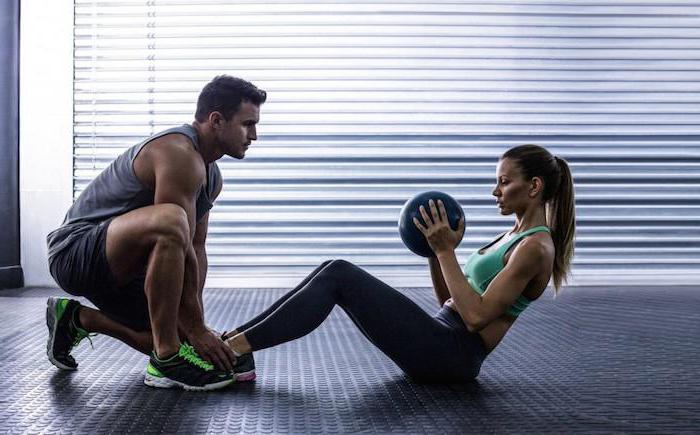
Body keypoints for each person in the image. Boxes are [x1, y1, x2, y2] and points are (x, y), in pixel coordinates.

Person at [221, 145, 575, 383]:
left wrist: (445, 251)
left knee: (340, 274)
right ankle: (231, 342)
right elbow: (451, 303)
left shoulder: (536, 247)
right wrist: (433, 254)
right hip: (442, 337)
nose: (495, 192)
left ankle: (230, 354)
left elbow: (477, 317)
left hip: (452, 355)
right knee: (333, 267)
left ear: (534, 186)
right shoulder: (511, 236)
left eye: (503, 182)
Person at [45, 75, 266, 391]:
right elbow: (174, 230)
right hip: (76, 252)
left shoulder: (211, 177)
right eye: (247, 124)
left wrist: (195, 327)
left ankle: (76, 318)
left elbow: (196, 248)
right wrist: (197, 327)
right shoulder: (178, 152)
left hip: (124, 268)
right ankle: (167, 356)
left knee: (179, 335)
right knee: (172, 219)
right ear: (216, 120)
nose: (254, 136)